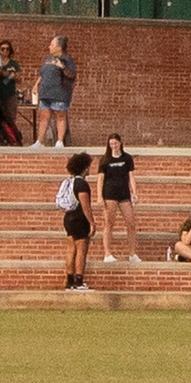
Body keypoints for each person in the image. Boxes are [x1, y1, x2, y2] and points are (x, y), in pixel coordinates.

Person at [96, 135, 141, 263]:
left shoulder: (127, 158)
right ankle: (107, 253)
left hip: (124, 194)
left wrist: (134, 192)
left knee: (131, 223)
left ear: (120, 143)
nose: (113, 146)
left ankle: (132, 253)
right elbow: (100, 179)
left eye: (115, 143)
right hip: (109, 194)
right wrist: (99, 196)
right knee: (109, 222)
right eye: (111, 144)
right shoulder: (105, 159)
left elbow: (131, 176)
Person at [58, 150, 94, 290]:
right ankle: (79, 280)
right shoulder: (81, 184)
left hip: (68, 218)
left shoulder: (70, 182)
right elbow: (85, 206)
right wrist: (92, 222)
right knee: (81, 249)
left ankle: (69, 280)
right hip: (79, 219)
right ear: (85, 167)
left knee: (71, 249)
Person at [36, 36, 75, 147]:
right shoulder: (48, 59)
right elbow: (42, 74)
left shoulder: (66, 60)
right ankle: (39, 141)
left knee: (60, 116)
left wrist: (62, 67)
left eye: (52, 45)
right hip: (45, 93)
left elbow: (71, 75)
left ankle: (60, 141)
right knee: (43, 117)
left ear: (59, 47)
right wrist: (36, 85)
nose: (49, 47)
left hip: (59, 93)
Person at [0, 38, 23, 146]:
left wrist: (14, 76)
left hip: (10, 93)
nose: (5, 51)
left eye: (7, 49)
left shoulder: (13, 64)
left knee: (10, 117)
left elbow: (19, 79)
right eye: (2, 49)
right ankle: (1, 138)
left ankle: (12, 138)